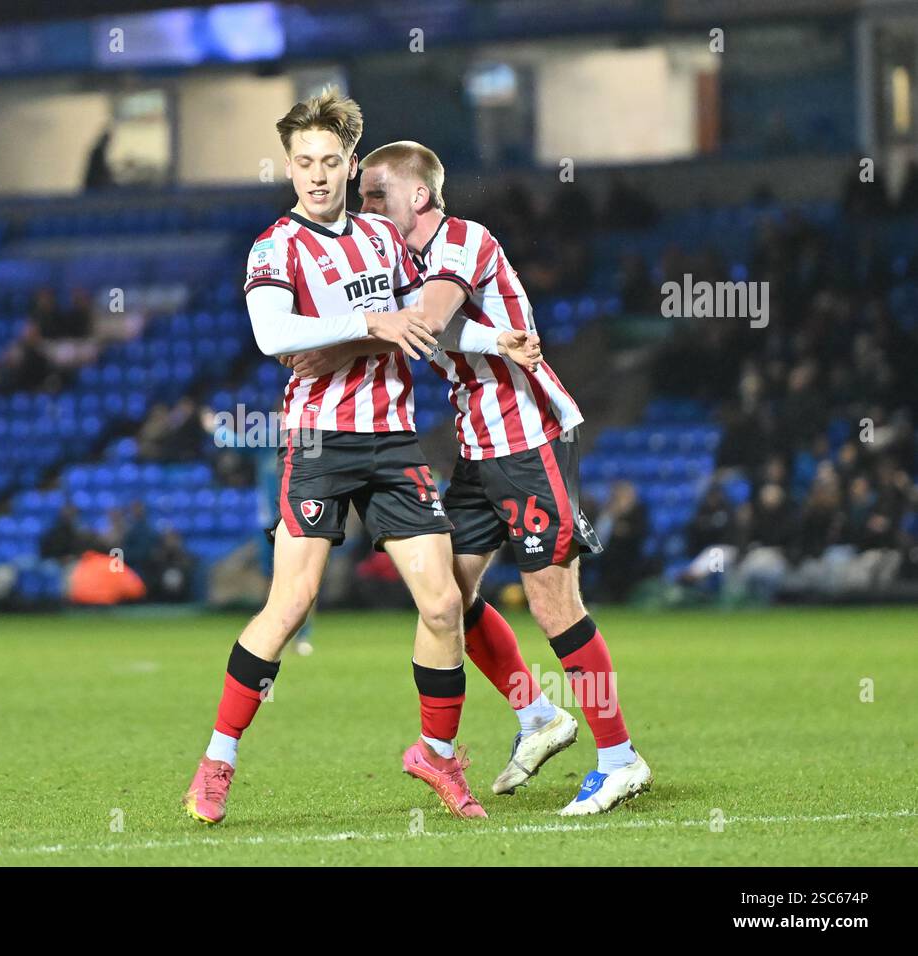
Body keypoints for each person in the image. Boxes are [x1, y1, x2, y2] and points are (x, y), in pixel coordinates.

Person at [286, 140, 651, 816]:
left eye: (374, 194)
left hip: (527, 436)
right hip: (477, 446)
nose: (362, 206)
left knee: (553, 605)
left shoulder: (463, 242)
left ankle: (619, 757)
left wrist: (331, 347)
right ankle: (538, 716)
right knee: (447, 597)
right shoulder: (405, 262)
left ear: (417, 196)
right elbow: (401, 318)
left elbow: (422, 324)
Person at [182, 88, 487, 826]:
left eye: (329, 161)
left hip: (391, 440)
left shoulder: (383, 240)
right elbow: (273, 337)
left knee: (446, 602)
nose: (316, 174)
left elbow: (420, 325)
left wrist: (492, 340)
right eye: (303, 162)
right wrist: (369, 323)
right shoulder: (274, 247)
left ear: (352, 166)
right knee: (289, 605)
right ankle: (217, 760)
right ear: (289, 168)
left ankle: (436, 755)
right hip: (317, 442)